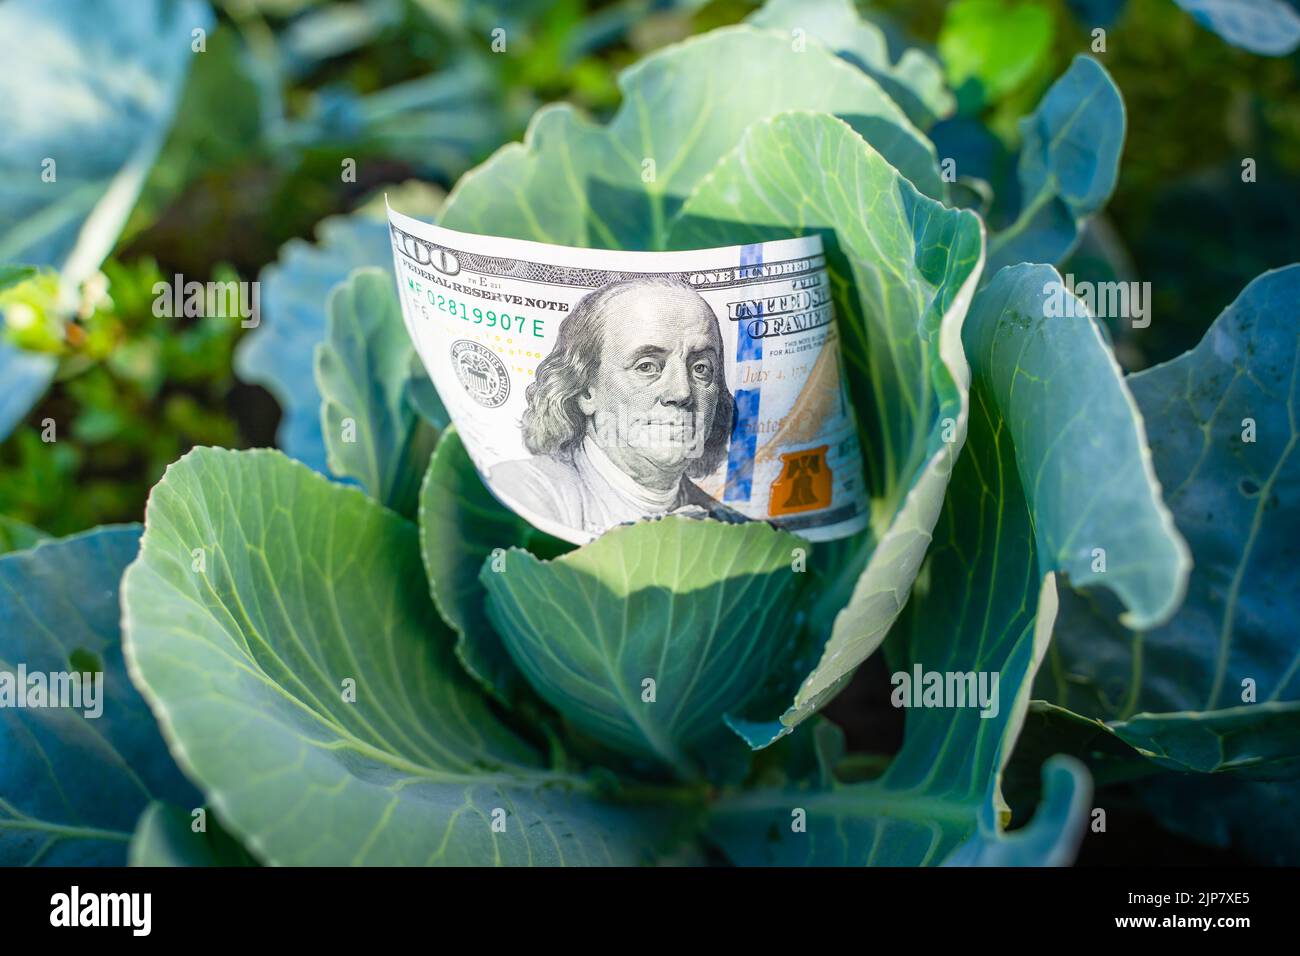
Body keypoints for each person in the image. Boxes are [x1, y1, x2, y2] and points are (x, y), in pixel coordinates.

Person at [489, 277, 743, 536]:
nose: (681, 392)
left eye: (701, 368)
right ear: (586, 389)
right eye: (647, 366)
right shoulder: (525, 491)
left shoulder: (738, 528)